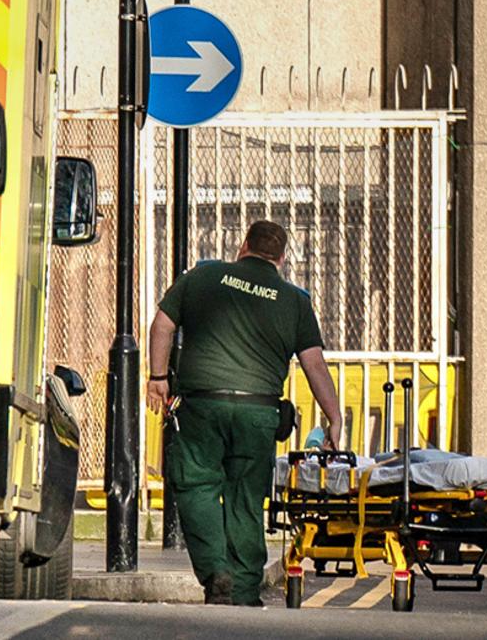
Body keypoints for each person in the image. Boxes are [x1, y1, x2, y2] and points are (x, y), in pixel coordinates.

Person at [146, 220, 343, 606]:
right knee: (247, 501)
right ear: (282, 258)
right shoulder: (295, 301)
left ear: (243, 246)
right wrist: (334, 418)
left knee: (197, 488)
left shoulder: (203, 277)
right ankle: (246, 590)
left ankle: (216, 571)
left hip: (202, 406)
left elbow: (162, 326)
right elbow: (314, 365)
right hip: (259, 413)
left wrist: (157, 377)